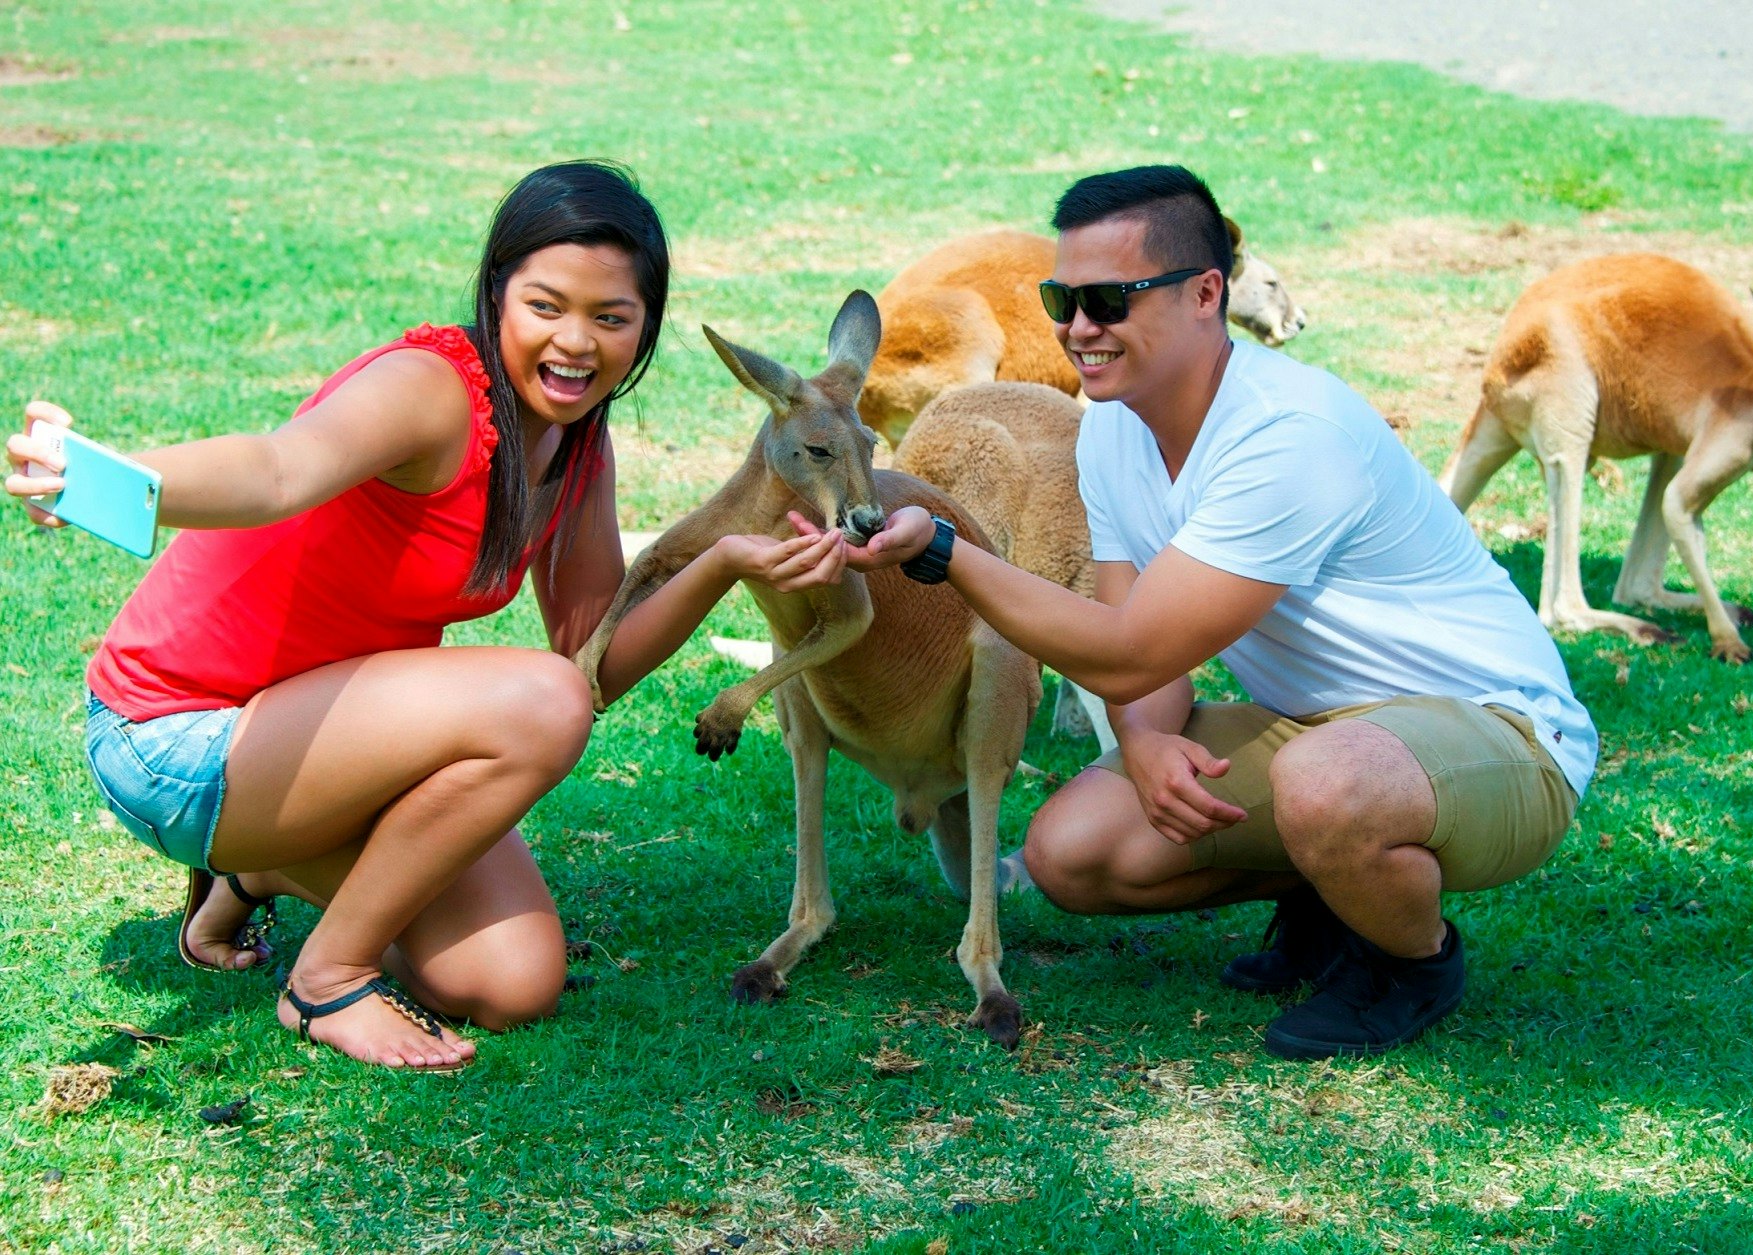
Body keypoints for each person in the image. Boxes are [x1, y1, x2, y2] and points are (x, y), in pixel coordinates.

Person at [6, 161, 849, 1071]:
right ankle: (326, 977)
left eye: (611, 318)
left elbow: (596, 660)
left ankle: (253, 870)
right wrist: (104, 482)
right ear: (497, 294)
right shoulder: (432, 387)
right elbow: (278, 469)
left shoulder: (575, 442)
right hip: (172, 737)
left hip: (306, 740)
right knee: (542, 699)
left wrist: (722, 563)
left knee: (514, 980)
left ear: (645, 326)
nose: (575, 343)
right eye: (545, 306)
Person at [809, 165, 1596, 1060]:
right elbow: (1135, 638)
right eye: (1062, 299)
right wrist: (1144, 740)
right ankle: (1327, 891)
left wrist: (945, 553)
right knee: (1071, 851)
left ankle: (1409, 962)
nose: (1077, 327)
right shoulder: (1115, 426)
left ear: (1204, 294)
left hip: (1503, 734)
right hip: (1317, 730)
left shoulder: (1288, 435)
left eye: (1108, 300)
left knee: (1325, 786)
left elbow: (1128, 648)